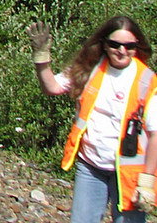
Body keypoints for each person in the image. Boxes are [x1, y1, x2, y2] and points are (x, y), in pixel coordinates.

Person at [30, 16, 157, 222]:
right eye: (115, 44)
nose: (122, 51)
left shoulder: (147, 81)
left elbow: (155, 135)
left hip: (129, 173)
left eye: (129, 46)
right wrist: (41, 57)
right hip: (90, 167)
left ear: (137, 46)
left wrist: (148, 181)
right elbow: (52, 87)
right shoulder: (89, 68)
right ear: (105, 44)